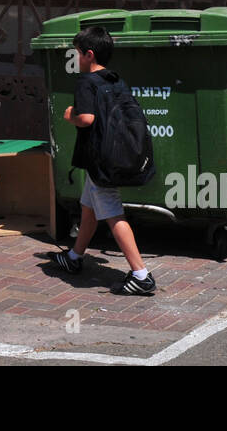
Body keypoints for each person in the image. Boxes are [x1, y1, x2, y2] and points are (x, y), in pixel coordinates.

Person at [50, 25, 156, 296]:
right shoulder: (114, 79)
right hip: (114, 156)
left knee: (112, 213)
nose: (74, 59)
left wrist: (71, 115)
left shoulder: (85, 82)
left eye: (76, 54)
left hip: (101, 160)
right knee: (89, 207)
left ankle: (141, 274)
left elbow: (87, 119)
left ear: (89, 54)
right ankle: (74, 258)